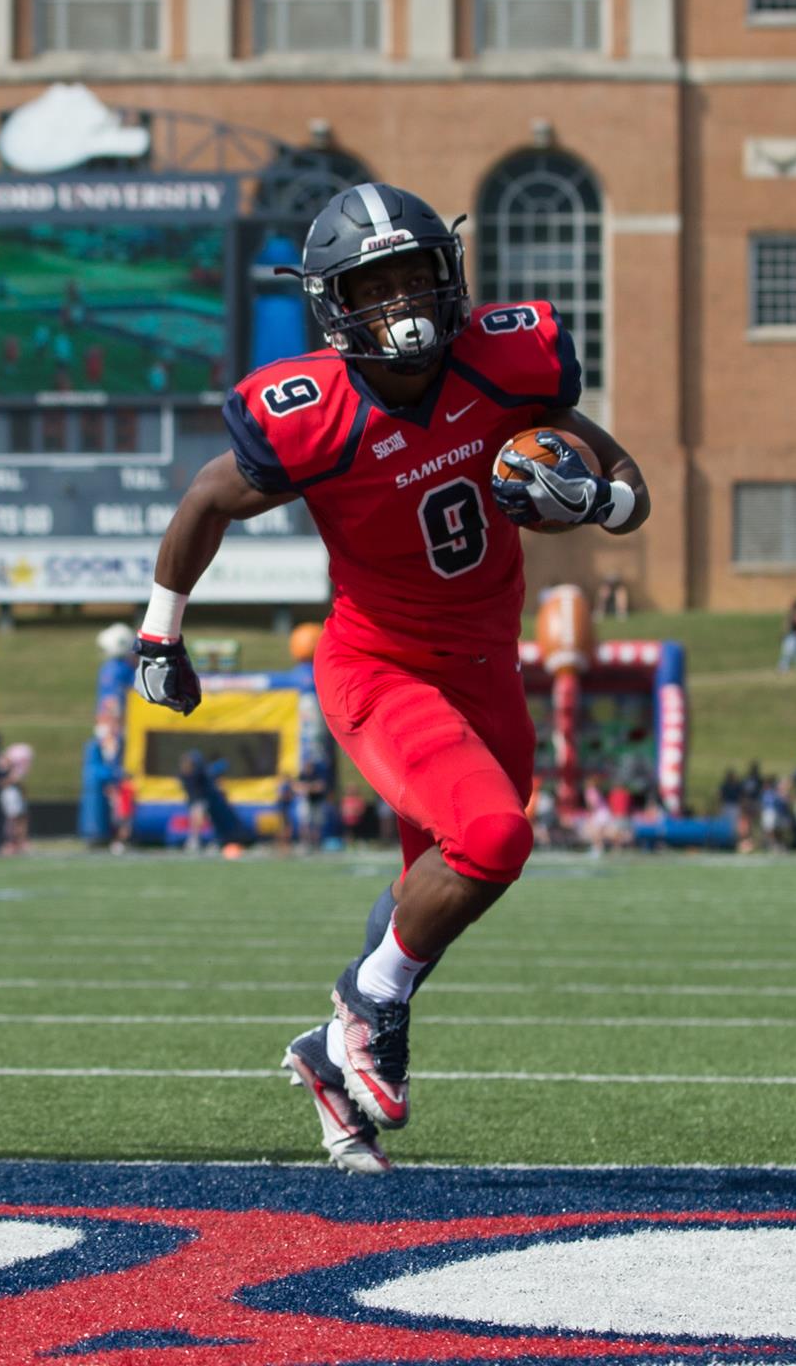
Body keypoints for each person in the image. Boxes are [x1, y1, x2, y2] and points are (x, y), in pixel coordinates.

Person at [131, 183, 648, 1173]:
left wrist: (598, 501)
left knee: (441, 881)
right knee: (494, 836)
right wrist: (161, 638)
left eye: (413, 278)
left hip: (486, 666)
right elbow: (205, 499)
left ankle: (330, 1063)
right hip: (379, 666)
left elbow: (625, 486)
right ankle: (362, 1010)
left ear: (450, 278)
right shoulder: (312, 411)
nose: (401, 307)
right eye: (375, 288)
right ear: (333, 307)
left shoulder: (507, 364)